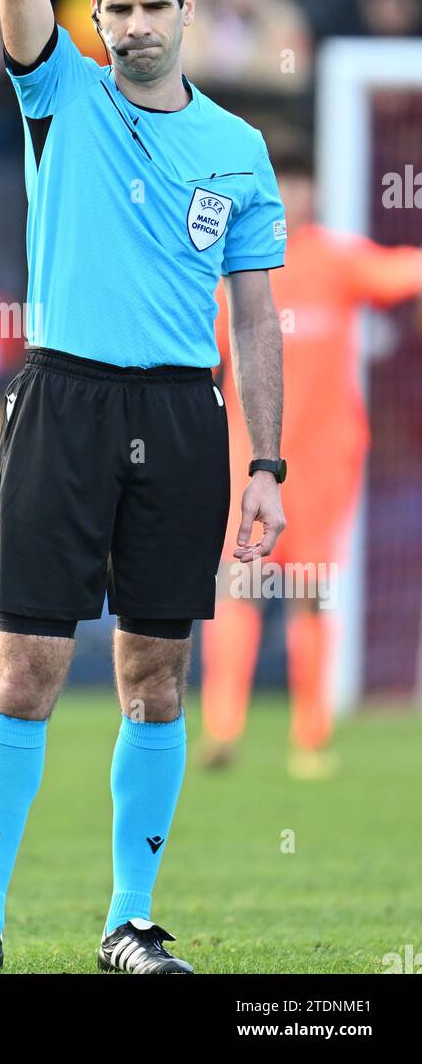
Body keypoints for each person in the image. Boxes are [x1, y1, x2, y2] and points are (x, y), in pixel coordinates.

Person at [0, 0, 287, 976]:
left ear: (188, 10)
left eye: (154, 5)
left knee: (155, 670)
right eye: (116, 7)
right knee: (28, 662)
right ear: (95, 15)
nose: (134, 24)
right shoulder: (64, 94)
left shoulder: (238, 151)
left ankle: (126, 924)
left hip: (183, 416)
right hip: (60, 397)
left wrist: (270, 465)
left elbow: (253, 317)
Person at [200, 152, 422, 778]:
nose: (293, 195)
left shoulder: (337, 260)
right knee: (239, 590)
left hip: (325, 464)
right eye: (281, 183)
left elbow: (403, 272)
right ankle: (223, 730)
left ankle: (311, 735)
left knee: (309, 595)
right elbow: (195, 353)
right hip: (249, 462)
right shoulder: (233, 270)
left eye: (301, 182)